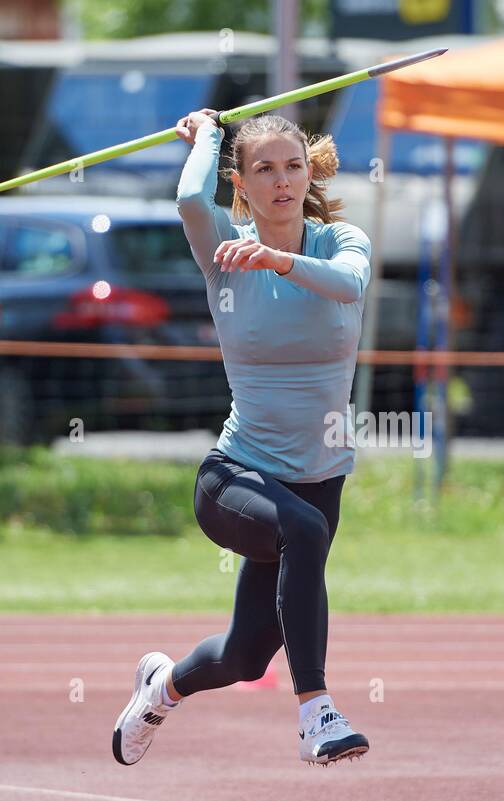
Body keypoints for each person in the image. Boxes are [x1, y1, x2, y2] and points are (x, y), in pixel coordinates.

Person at [112, 108, 373, 766]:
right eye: (265, 169)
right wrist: (206, 135)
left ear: (307, 174)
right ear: (243, 185)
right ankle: (316, 712)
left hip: (321, 476)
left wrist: (281, 259)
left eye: (293, 166)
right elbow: (185, 197)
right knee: (304, 531)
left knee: (242, 654)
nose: (282, 180)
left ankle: (160, 688)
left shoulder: (340, 241)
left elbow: (352, 284)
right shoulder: (223, 251)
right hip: (235, 478)